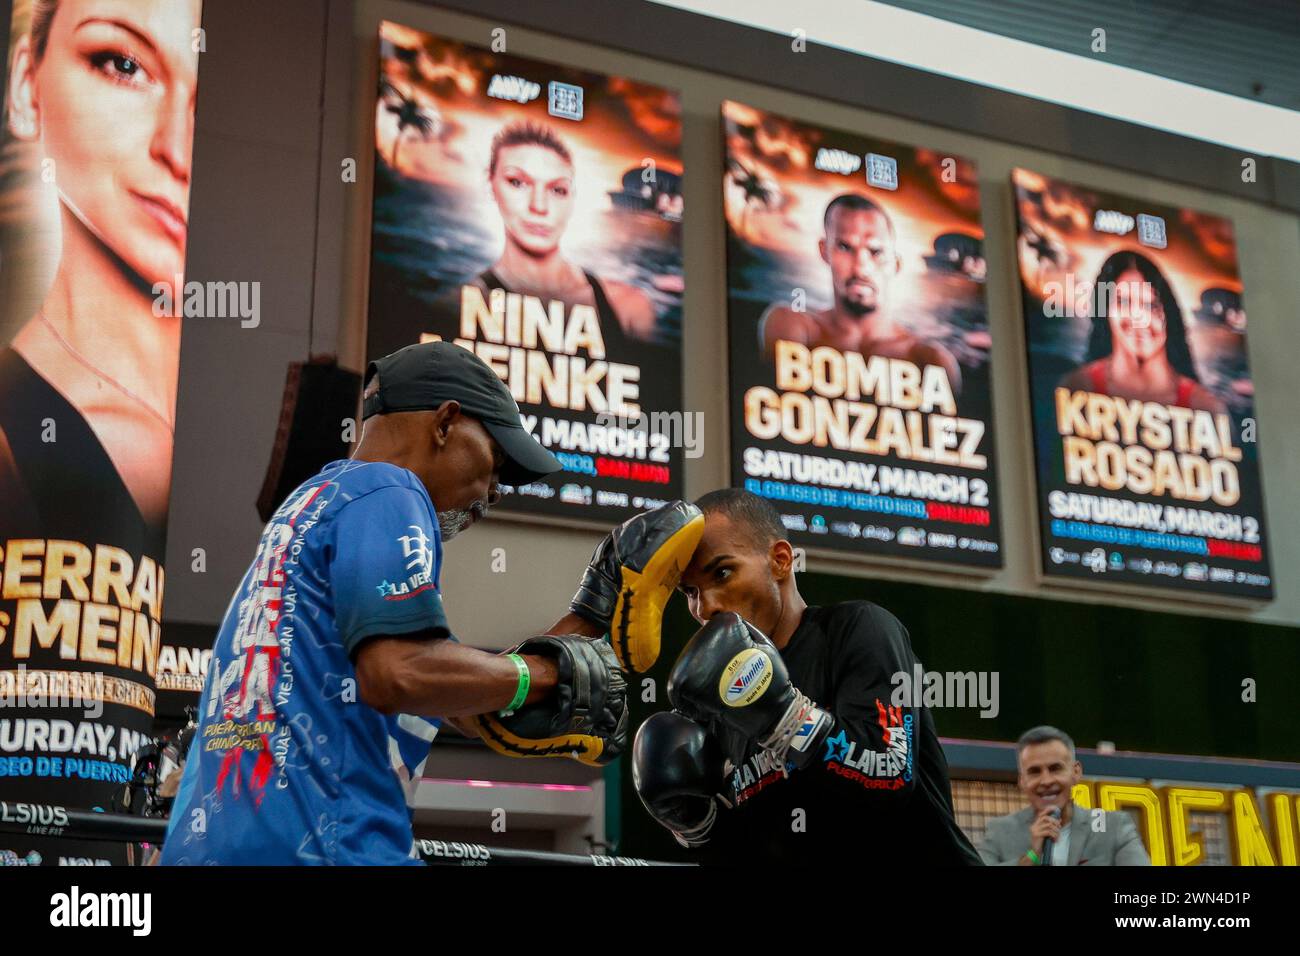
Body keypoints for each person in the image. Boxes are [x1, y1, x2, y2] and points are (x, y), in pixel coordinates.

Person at [160, 342, 697, 864]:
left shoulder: (309, 506)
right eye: (495, 462)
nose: (492, 495)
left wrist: (585, 619)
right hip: (327, 849)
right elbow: (398, 674)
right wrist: (550, 673)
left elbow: (455, 696)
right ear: (445, 422)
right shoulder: (390, 491)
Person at [633, 488, 982, 865]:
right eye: (691, 592)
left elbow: (891, 774)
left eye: (722, 572)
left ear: (780, 561)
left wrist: (781, 716)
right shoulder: (722, 706)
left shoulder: (859, 629)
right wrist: (696, 824)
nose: (706, 606)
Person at [472, 120, 656, 345]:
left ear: (572, 198)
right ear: (491, 185)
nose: (539, 206)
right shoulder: (457, 305)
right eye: (517, 182)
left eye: (557, 189)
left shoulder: (629, 306)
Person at [758, 192, 961, 393]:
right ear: (824, 251)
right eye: (845, 247)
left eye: (876, 252)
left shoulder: (930, 360)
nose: (861, 269)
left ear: (896, 264)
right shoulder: (794, 326)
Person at [1060, 250, 1224, 414]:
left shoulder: (1205, 407)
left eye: (1151, 305)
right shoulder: (1077, 388)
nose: (1139, 317)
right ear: (1105, 312)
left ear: (1169, 314)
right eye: (1123, 301)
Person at [978, 726, 1151, 866]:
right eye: (1034, 771)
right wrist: (1031, 857)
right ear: (1022, 781)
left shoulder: (1113, 827)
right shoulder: (1000, 832)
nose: (1045, 780)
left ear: (1076, 772)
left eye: (1055, 769)